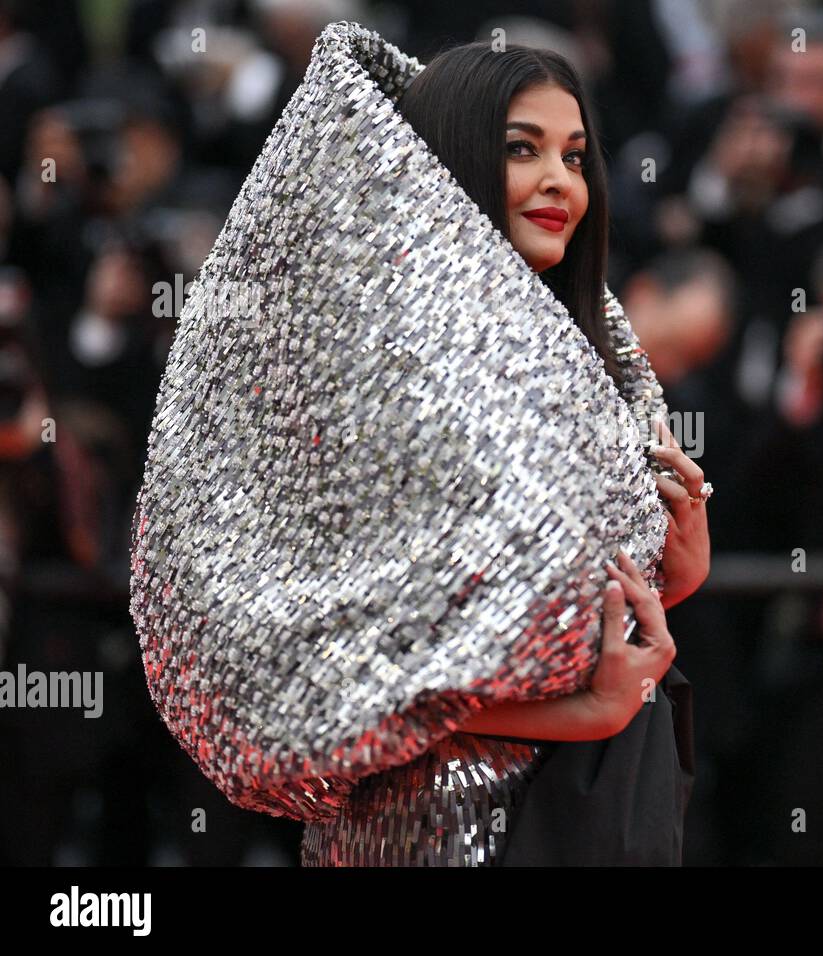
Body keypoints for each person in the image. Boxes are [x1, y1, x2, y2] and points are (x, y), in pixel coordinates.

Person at [130, 24, 711, 867]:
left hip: (597, 801)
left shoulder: (582, 358)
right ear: (439, 168)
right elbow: (319, 681)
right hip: (428, 832)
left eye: (576, 156)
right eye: (523, 149)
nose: (560, 181)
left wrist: (676, 575)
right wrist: (579, 711)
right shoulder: (370, 372)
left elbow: (551, 624)